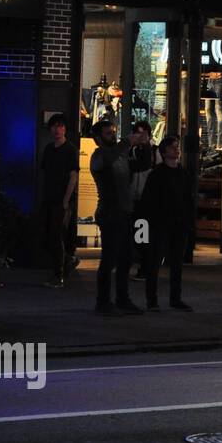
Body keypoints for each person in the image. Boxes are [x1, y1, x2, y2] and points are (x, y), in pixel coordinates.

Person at [89, 119, 145, 315]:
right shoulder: (99, 156)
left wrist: (143, 144)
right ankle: (103, 302)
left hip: (123, 212)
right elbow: (109, 159)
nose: (113, 135)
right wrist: (127, 142)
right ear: (98, 139)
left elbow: (140, 165)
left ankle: (122, 299)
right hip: (109, 213)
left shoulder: (119, 156)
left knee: (126, 258)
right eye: (108, 133)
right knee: (109, 259)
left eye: (113, 132)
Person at [139, 136, 195, 312]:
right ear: (164, 152)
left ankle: (175, 298)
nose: (176, 150)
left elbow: (188, 199)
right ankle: (152, 300)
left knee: (177, 263)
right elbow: (148, 201)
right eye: (172, 147)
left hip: (178, 224)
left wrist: (188, 221)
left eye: (177, 147)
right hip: (160, 224)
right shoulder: (157, 174)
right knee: (154, 262)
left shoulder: (183, 173)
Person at [40, 114, 79, 288]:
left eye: (60, 126)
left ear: (65, 129)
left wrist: (66, 200)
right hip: (49, 196)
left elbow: (73, 176)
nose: (57, 129)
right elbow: (45, 172)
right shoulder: (49, 149)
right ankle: (67, 261)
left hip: (63, 199)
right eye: (54, 126)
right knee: (49, 235)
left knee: (57, 235)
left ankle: (59, 273)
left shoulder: (70, 150)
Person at [129, 120, 162, 280]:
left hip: (147, 200)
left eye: (143, 133)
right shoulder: (132, 151)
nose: (141, 136)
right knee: (137, 235)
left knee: (143, 235)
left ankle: (146, 267)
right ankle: (144, 265)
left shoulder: (155, 151)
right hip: (133, 199)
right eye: (137, 133)